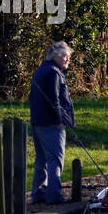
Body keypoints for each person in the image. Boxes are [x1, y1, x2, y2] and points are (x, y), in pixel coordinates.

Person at [29, 41, 76, 204]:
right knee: (55, 159)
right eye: (64, 56)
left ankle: (39, 193)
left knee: (41, 159)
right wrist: (58, 121)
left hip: (37, 121)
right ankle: (54, 195)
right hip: (50, 123)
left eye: (69, 57)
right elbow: (53, 99)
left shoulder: (42, 69)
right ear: (55, 56)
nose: (67, 60)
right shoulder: (54, 73)